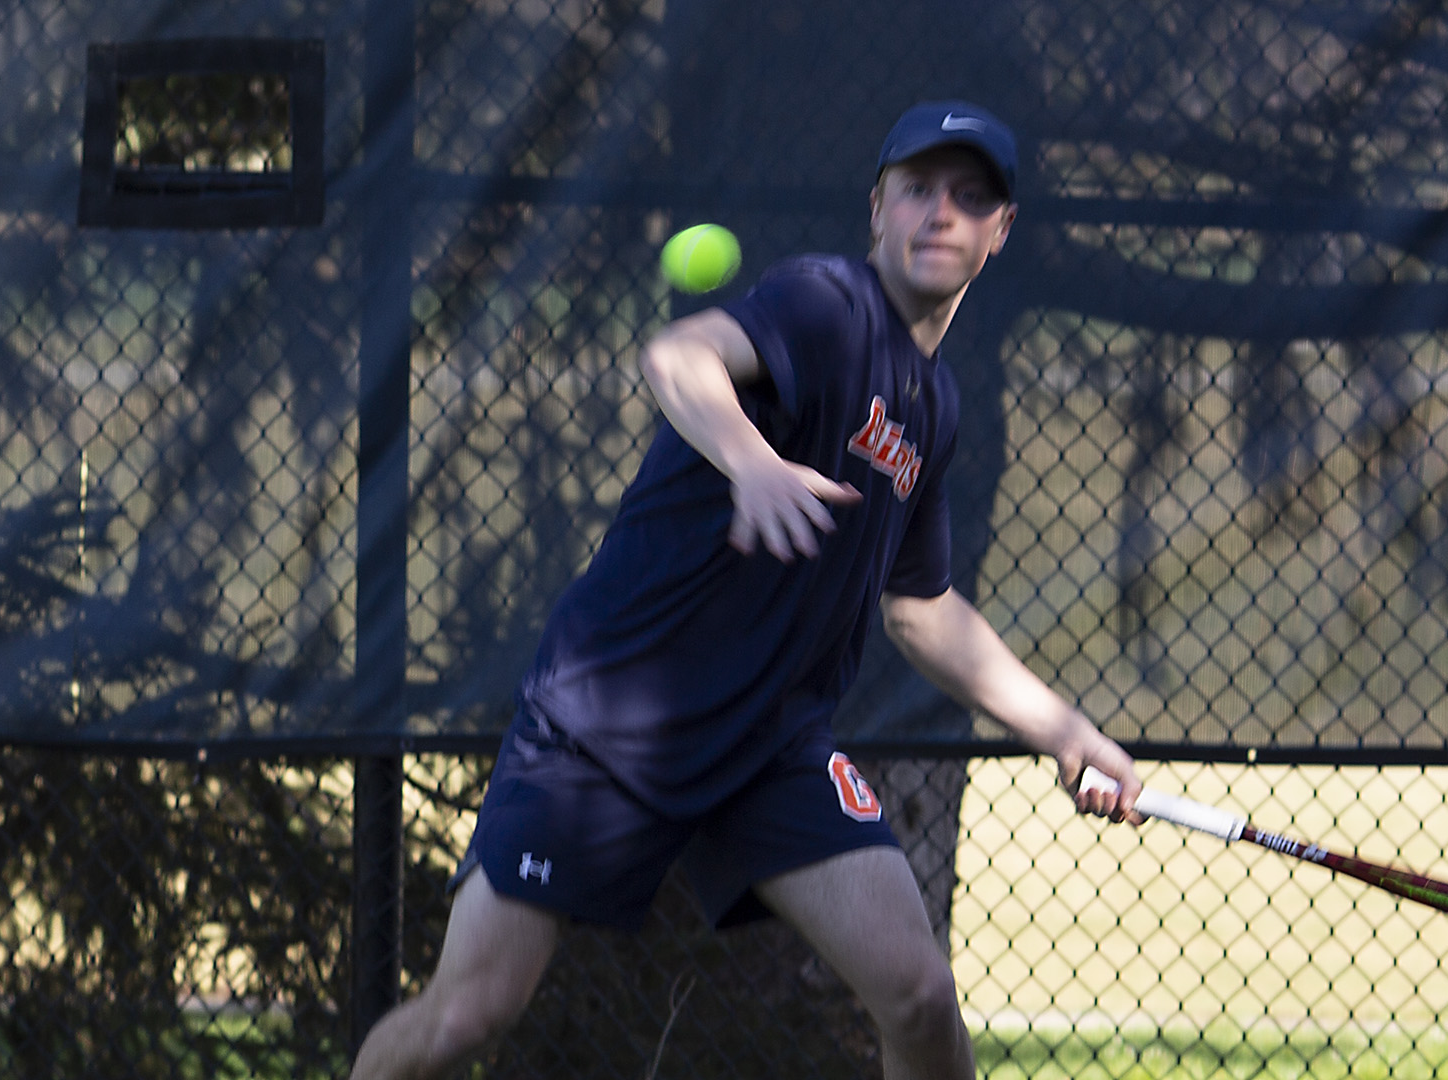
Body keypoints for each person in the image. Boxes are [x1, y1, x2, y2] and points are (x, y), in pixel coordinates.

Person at [348, 100, 1144, 1080]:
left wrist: (1067, 733)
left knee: (921, 997)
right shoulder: (824, 304)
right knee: (466, 1016)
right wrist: (752, 460)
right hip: (611, 720)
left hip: (770, 744)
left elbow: (921, 607)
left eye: (970, 197)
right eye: (918, 190)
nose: (941, 212)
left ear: (1001, 231)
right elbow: (676, 356)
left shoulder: (934, 407)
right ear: (877, 211)